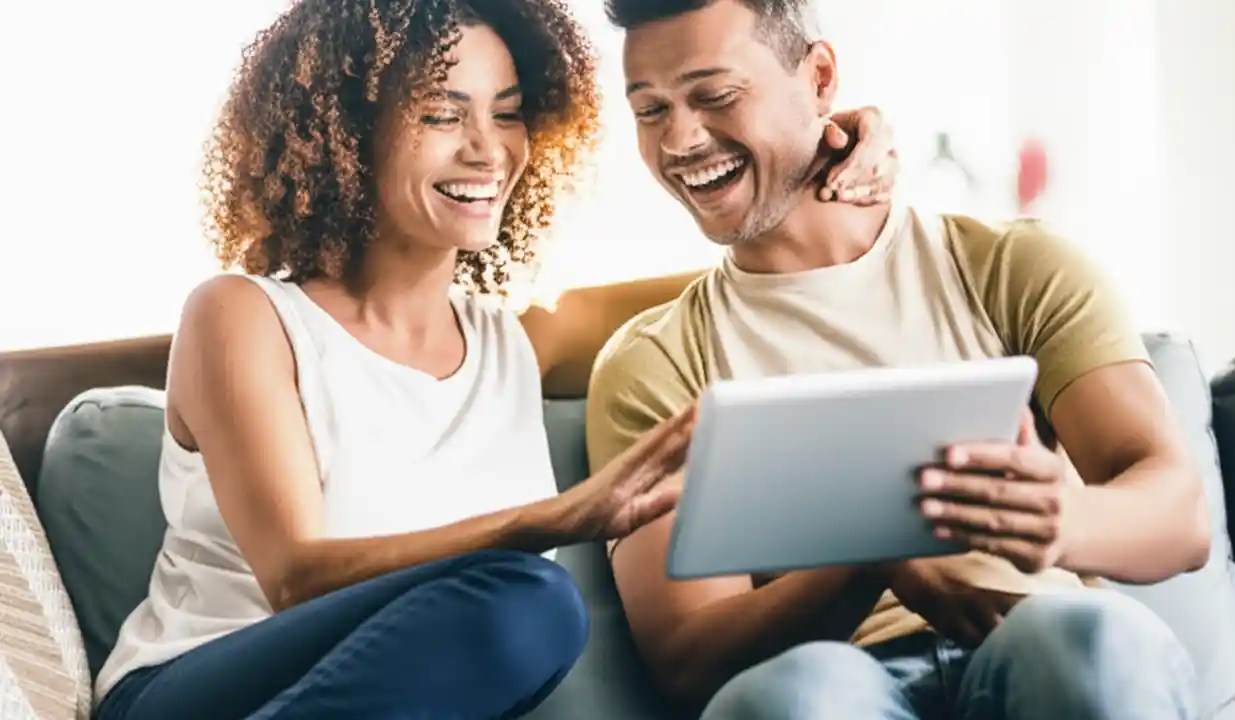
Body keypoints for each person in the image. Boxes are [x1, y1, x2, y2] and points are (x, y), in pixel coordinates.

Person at [91, 0, 898, 717]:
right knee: (529, 604)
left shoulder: (514, 342)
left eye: (508, 114)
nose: (489, 150)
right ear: (345, 126)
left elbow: (751, 262)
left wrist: (819, 144)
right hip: (197, 687)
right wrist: (560, 517)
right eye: (445, 115)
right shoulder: (245, 316)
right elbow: (296, 578)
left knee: (518, 611)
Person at [586, 1, 1211, 719]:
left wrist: (1060, 518)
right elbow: (689, 658)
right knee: (791, 699)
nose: (681, 139)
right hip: (836, 676)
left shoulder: (1011, 268)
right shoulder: (654, 362)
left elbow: (1179, 514)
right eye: (649, 110)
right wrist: (870, 554)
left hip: (1036, 647)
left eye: (716, 96)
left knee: (1091, 643)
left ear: (820, 78)